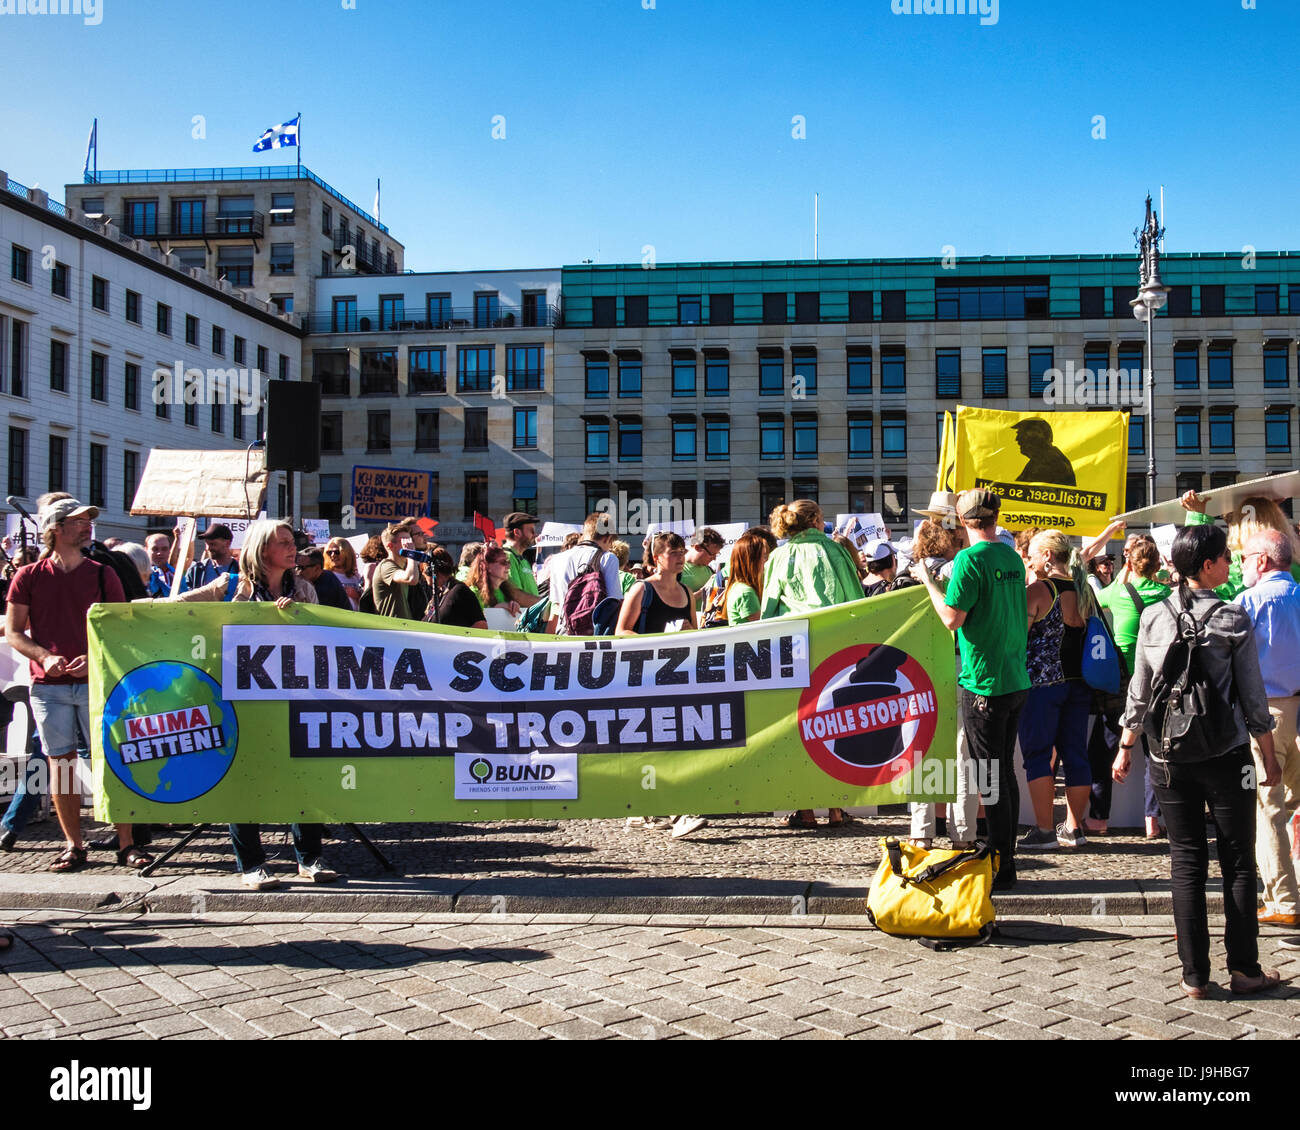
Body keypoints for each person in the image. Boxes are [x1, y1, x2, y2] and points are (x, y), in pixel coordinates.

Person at [1115, 522, 1282, 998]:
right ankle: (1245, 969)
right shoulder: (1232, 618)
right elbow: (1252, 698)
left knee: (1185, 861)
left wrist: (1126, 746)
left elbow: (1140, 692)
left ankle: (1194, 976)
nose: (1230, 565)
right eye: (1224, 558)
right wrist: (1266, 757)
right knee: (1237, 861)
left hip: (1167, 754)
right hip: (1226, 753)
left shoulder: (1153, 616)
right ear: (1206, 566)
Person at [176, 520, 338, 889]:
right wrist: (127, 614)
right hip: (241, 701)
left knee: (303, 777)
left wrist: (297, 616)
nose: (291, 547)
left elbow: (321, 639)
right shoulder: (231, 586)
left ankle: (309, 859)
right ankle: (251, 864)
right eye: (282, 542)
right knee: (245, 780)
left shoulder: (304, 589)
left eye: (291, 541)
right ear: (261, 548)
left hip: (294, 697)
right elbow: (175, 609)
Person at [4, 498, 152, 872]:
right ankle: (74, 845)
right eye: (79, 521)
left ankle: (127, 843)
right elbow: (14, 632)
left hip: (97, 684)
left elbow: (120, 629)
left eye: (89, 520)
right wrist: (43, 657)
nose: (88, 526)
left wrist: (93, 656)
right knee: (60, 767)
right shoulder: (29, 575)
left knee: (114, 762)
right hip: (47, 686)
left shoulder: (104, 573)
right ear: (56, 528)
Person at [910, 489, 1029, 890]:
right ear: (995, 516)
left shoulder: (968, 559)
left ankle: (1000, 863)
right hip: (1013, 678)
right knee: (1003, 775)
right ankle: (1005, 858)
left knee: (990, 777)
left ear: (963, 522)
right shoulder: (1011, 556)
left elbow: (951, 619)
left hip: (983, 682)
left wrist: (927, 580)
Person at [761, 499, 864, 829]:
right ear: (818, 520)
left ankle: (804, 808)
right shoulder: (836, 552)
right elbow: (856, 602)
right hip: (835, 649)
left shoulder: (779, 556)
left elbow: (769, 613)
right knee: (835, 726)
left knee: (798, 730)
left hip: (794, 651)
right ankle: (836, 808)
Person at [616, 531, 706, 839]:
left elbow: (694, 630)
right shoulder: (642, 589)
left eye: (682, 552)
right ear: (658, 558)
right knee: (657, 746)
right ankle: (676, 812)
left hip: (676, 679)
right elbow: (621, 632)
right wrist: (656, 644)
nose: (681, 557)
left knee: (672, 745)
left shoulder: (684, 591)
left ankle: (651, 809)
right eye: (673, 552)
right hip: (644, 678)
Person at [1234, 529, 1300, 927]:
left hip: (1267, 716)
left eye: (1243, 558)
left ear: (1262, 560)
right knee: (1288, 806)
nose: (1241, 565)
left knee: (1269, 809)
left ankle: (1285, 901)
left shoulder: (1249, 601)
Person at [1016, 530, 1095, 851]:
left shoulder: (1038, 591)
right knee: (1076, 755)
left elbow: (1017, 640)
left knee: (1037, 756)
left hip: (1042, 686)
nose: (1030, 559)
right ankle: (1074, 828)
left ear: (1048, 556)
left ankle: (1045, 829)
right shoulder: (1084, 589)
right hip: (1080, 684)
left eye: (1033, 553)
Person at [1091, 533, 1169, 837]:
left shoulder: (1120, 592)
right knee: (1154, 751)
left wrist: (1125, 569)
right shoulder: (1165, 594)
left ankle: (1099, 818)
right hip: (1157, 677)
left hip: (1123, 677)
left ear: (1130, 563)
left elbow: (1098, 600)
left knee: (1106, 746)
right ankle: (1152, 819)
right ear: (1157, 565)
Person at [1180, 491, 1300, 599]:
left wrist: (1196, 518)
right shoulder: (1291, 563)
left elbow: (1198, 567)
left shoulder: (1237, 563)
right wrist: (1269, 509)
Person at [545, 514, 622, 635]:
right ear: (608, 538)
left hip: (564, 633)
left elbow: (556, 605)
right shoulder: (607, 558)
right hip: (594, 635)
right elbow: (614, 601)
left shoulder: (556, 560)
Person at [435, 543, 519, 630]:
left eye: (508, 562)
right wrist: (496, 610)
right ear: (485, 566)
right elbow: (474, 626)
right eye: (503, 562)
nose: (508, 566)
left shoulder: (503, 592)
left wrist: (513, 606)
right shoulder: (472, 593)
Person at [372, 522, 422, 620]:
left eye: (410, 540)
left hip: (404, 627)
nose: (410, 544)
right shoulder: (386, 566)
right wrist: (411, 553)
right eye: (404, 541)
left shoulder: (405, 566)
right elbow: (411, 578)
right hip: (391, 629)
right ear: (390, 546)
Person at [722, 530, 771, 625]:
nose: (767, 560)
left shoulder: (740, 587)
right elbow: (763, 626)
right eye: (764, 556)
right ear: (752, 560)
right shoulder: (745, 592)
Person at [180, 523, 239, 599]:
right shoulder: (196, 571)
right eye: (206, 544)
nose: (208, 548)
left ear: (227, 543)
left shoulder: (240, 569)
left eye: (213, 544)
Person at [1012, 418, 1076, 486]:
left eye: (1022, 434)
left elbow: (1023, 491)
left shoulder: (1048, 462)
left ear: (1038, 435)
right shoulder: (1044, 458)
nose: (1017, 439)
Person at [501, 512, 544, 607]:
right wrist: (546, 604)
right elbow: (515, 595)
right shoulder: (506, 556)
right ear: (517, 532)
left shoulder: (522, 559)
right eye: (531, 531)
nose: (535, 535)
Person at [679, 528, 724, 600]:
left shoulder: (709, 570)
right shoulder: (677, 569)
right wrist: (703, 590)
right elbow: (675, 603)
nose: (714, 559)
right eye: (712, 554)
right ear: (697, 547)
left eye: (716, 554)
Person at [324, 537, 363, 611]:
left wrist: (356, 595)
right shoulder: (325, 576)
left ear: (347, 553)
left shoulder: (356, 576)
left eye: (337, 552)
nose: (333, 555)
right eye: (329, 552)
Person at [145, 532, 174, 597]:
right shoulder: (140, 573)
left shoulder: (177, 575)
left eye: (164, 549)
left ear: (169, 551)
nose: (159, 553)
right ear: (146, 550)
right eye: (155, 549)